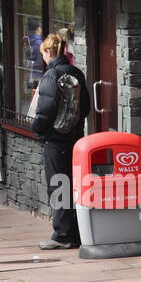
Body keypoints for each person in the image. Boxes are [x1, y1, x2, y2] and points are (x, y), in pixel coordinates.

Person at [32, 32, 91, 250]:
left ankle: (62, 235)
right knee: (71, 184)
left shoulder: (51, 75)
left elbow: (44, 112)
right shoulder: (76, 72)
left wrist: (37, 129)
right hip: (74, 137)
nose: (44, 59)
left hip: (55, 140)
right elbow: (85, 107)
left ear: (48, 51)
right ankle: (75, 232)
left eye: (43, 55)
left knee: (57, 186)